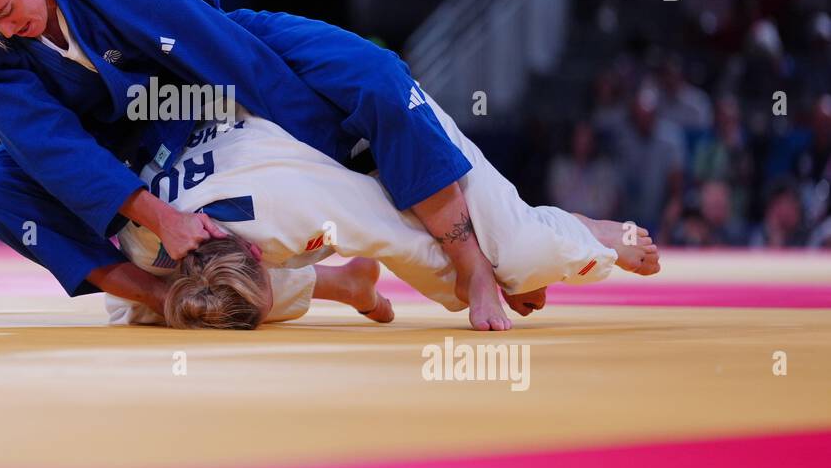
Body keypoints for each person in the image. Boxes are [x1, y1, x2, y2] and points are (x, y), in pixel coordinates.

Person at [0, 0, 551, 332]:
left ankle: (472, 261)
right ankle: (165, 298)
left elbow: (233, 62)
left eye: (6, 12)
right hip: (112, 135)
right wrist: (160, 219)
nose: (5, 31)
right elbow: (45, 141)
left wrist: (345, 158)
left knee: (376, 77)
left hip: (202, 72)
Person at [104, 104, 657, 330]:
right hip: (298, 160)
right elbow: (138, 297)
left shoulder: (290, 207)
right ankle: (344, 283)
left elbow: (407, 240)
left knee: (520, 262)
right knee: (178, 311)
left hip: (400, 140)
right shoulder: (144, 242)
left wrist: (478, 284)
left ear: (257, 252)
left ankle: (592, 232)